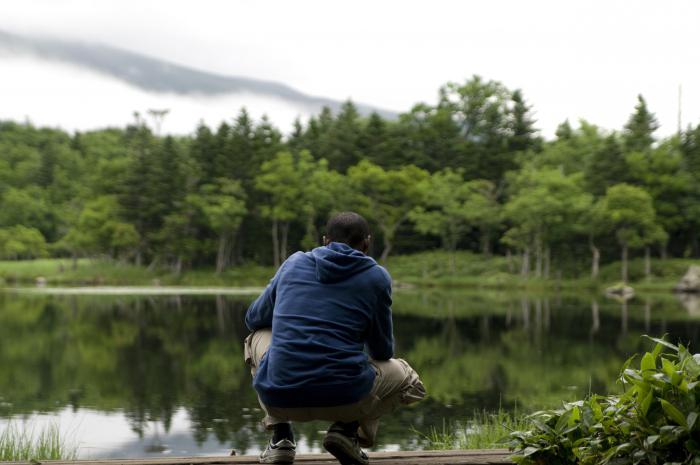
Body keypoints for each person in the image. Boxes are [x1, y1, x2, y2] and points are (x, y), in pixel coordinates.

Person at [244, 211, 425, 465]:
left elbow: (253, 319)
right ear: (367, 243)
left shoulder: (294, 263)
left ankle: (281, 438)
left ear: (325, 240)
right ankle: (347, 431)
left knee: (257, 336)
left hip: (279, 399)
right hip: (348, 399)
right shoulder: (377, 277)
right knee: (408, 378)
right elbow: (382, 351)